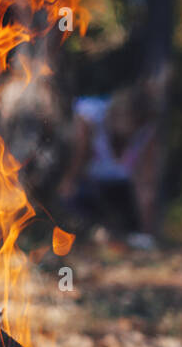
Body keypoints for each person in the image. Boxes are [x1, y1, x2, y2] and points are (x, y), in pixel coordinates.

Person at [58, 83, 159, 241]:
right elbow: (78, 157)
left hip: (118, 190)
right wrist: (68, 184)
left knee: (127, 224)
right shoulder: (89, 116)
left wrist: (146, 233)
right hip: (86, 184)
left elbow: (146, 184)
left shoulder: (145, 132)